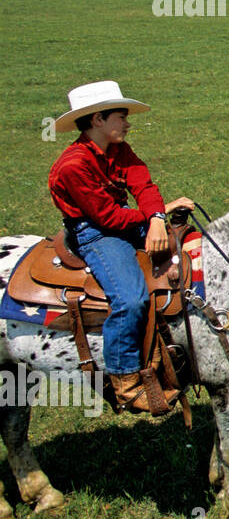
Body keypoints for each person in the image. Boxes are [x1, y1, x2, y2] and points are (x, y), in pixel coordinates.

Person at [48, 81, 194, 412]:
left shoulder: (118, 149)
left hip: (127, 220)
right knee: (130, 298)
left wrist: (157, 217)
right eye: (121, 116)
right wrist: (154, 217)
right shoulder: (72, 166)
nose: (127, 123)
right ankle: (125, 380)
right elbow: (107, 217)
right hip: (96, 234)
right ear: (97, 119)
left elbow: (143, 183)